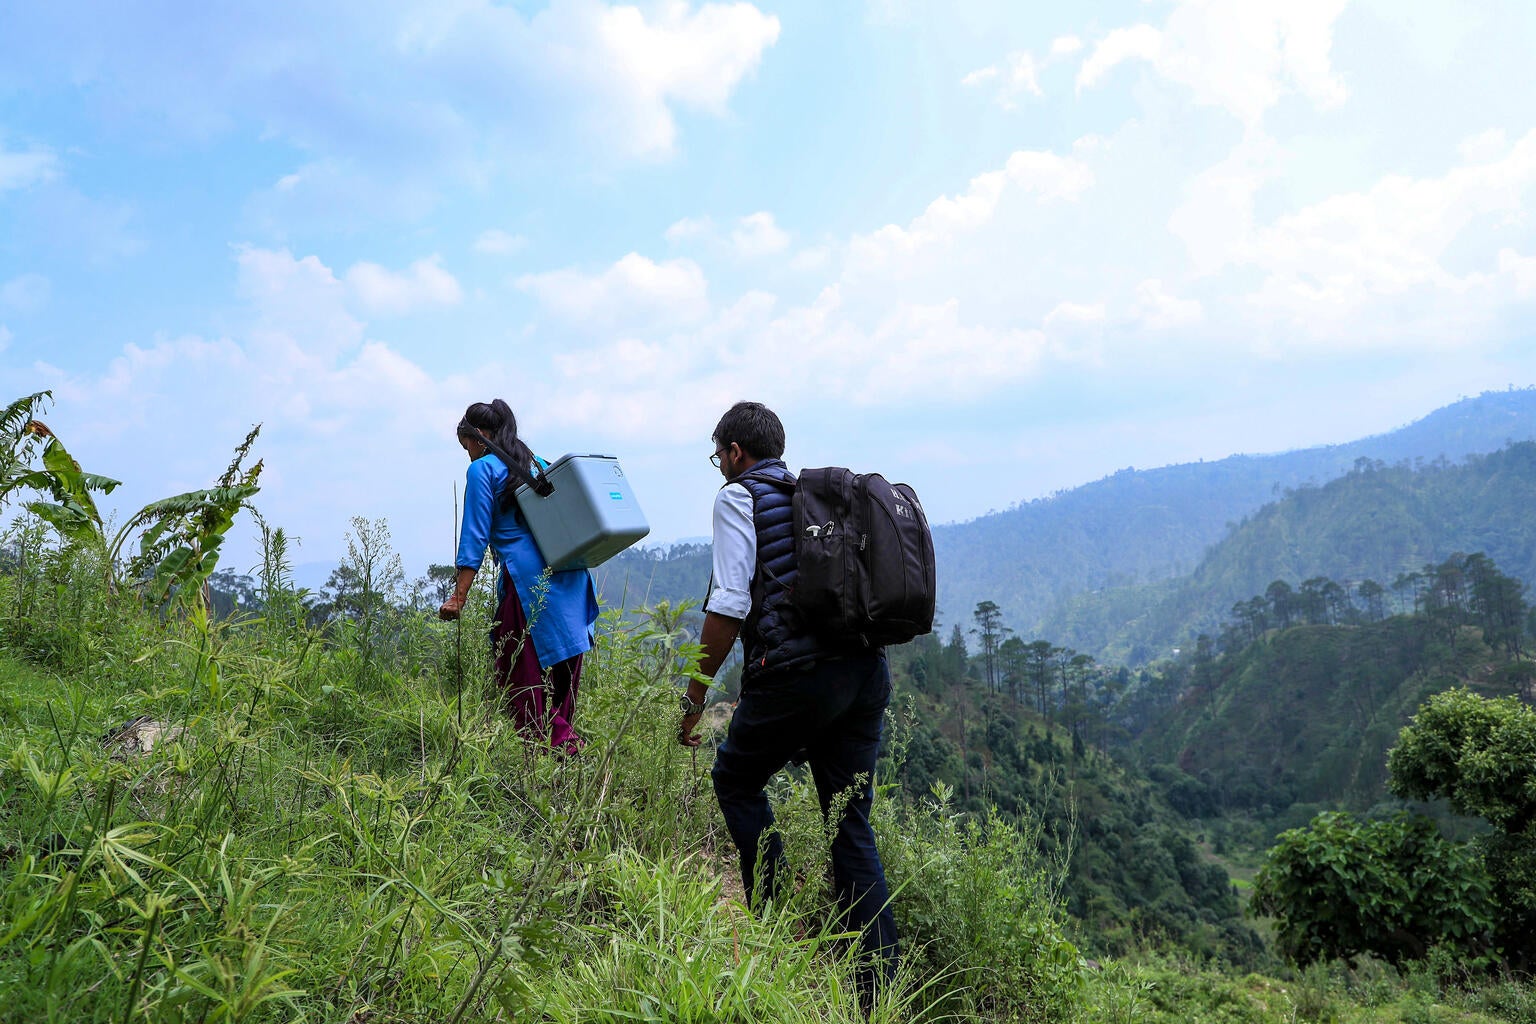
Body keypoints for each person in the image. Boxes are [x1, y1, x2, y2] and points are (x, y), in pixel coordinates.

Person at [678, 400, 899, 1009]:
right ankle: (879, 992)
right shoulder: (811, 498)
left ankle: (774, 933)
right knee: (849, 822)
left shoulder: (737, 497)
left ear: (735, 453)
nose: (720, 467)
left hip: (800, 677)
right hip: (864, 671)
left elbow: (729, 605)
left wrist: (694, 696)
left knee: (736, 779)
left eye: (719, 456)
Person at [439, 399, 599, 753]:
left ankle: (554, 754)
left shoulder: (482, 470)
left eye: (466, 447)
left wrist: (458, 597)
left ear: (479, 437)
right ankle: (563, 758)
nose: (468, 456)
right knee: (562, 689)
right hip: (571, 579)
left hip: (530, 586)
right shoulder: (536, 461)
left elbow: (474, 537)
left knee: (521, 683)